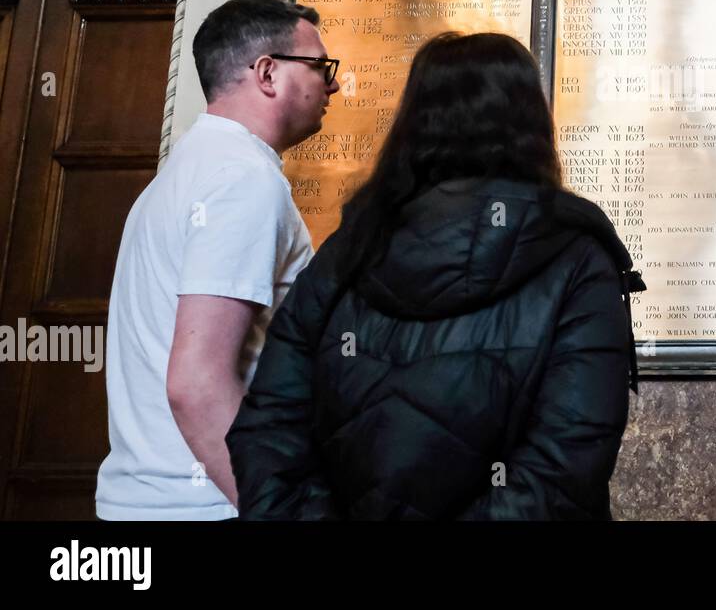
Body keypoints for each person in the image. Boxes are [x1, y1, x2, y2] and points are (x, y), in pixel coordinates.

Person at [226, 32, 641, 520]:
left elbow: (269, 429)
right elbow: (566, 461)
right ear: (532, 123)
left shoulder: (345, 255)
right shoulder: (578, 259)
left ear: (412, 123)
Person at [95, 0, 340, 520]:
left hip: (156, 502)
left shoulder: (192, 168)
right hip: (204, 506)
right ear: (268, 73)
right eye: (320, 67)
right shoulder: (241, 179)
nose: (334, 84)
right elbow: (196, 382)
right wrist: (273, 510)